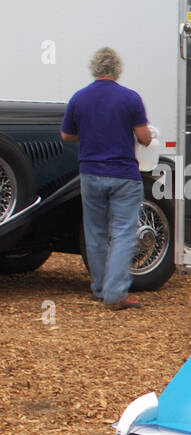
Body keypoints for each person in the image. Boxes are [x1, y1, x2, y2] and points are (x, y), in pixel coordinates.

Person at [61, 47, 152, 310]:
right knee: (123, 234)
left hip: (90, 174)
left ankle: (101, 289)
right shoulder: (130, 98)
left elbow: (67, 135)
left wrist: (89, 133)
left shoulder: (79, 99)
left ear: (94, 68)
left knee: (96, 234)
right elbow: (144, 137)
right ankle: (115, 294)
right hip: (123, 175)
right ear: (117, 69)